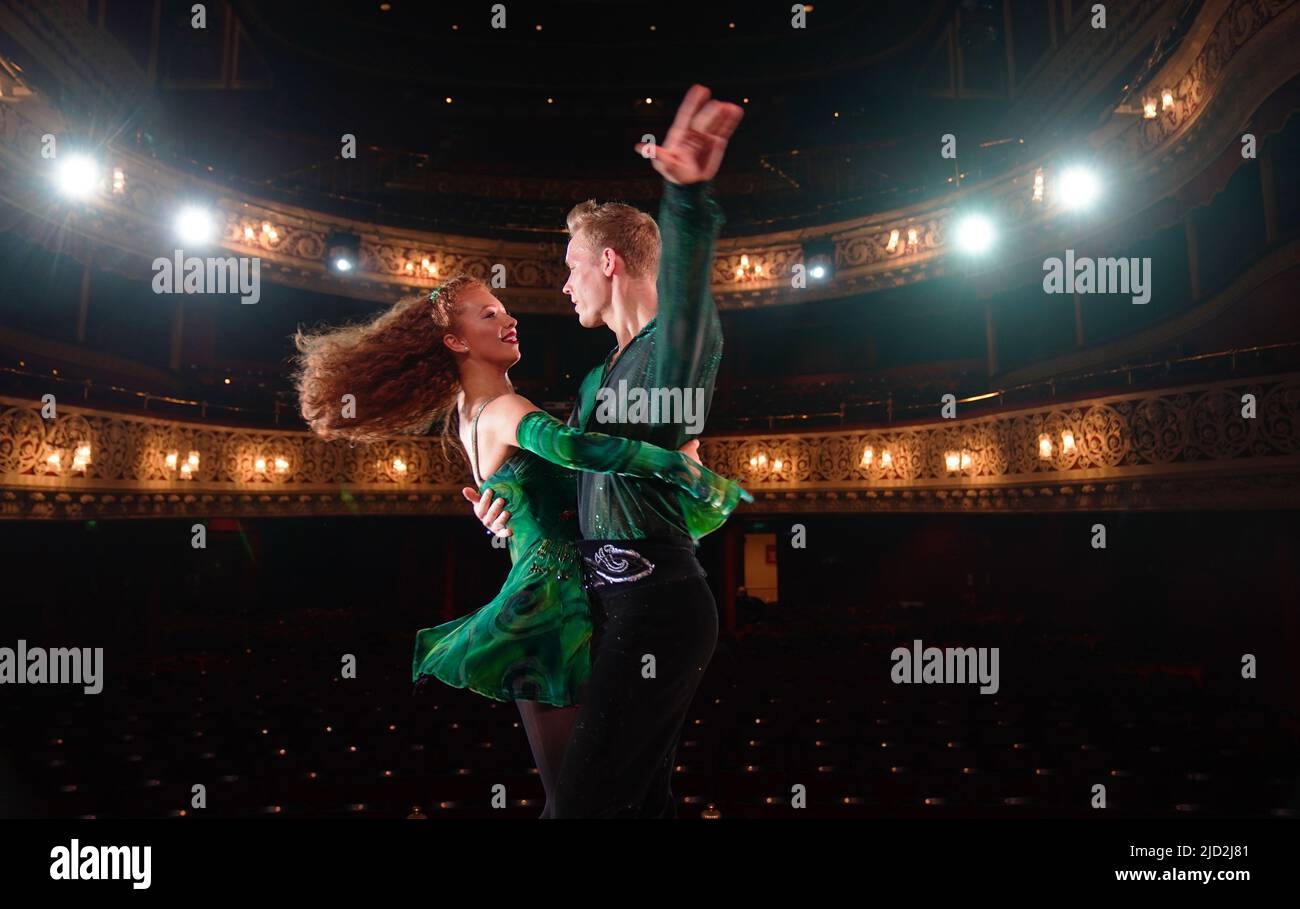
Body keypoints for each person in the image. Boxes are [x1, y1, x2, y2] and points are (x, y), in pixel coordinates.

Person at [291, 274, 750, 818]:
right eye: (488, 314)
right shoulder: (503, 411)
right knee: (587, 803)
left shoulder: (476, 413)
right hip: (555, 612)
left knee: (607, 799)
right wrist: (686, 472)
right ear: (456, 342)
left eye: (504, 309)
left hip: (560, 605)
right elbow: (576, 449)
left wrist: (497, 511)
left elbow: (560, 497)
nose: (509, 320)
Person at [467, 84, 744, 817]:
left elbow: (688, 310)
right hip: (608, 606)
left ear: (611, 263)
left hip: (658, 604)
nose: (563, 285)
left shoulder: (670, 354)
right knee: (637, 807)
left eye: (571, 267)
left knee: (581, 809)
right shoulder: (597, 377)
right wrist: (511, 512)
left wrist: (687, 199)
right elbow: (577, 490)